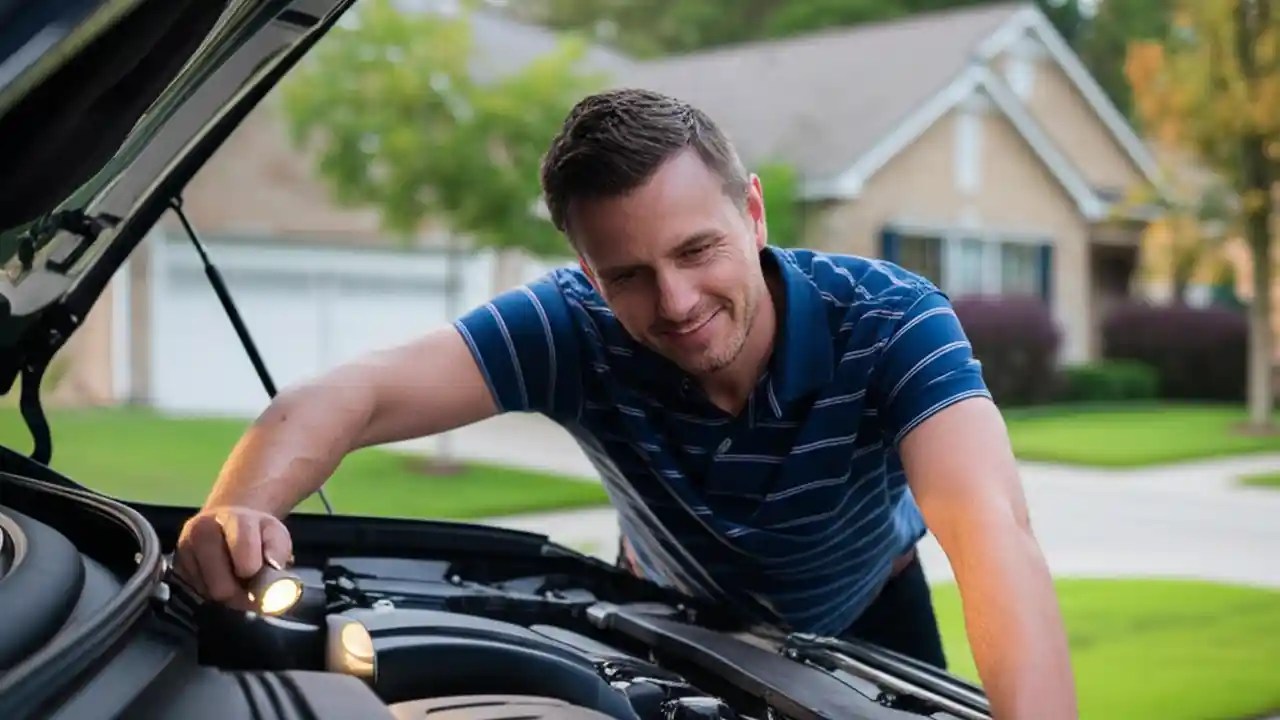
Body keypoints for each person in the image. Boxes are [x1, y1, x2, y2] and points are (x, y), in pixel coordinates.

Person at [175, 88, 1077, 718]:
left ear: (754, 213)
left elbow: (992, 529)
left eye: (698, 250)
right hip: (668, 621)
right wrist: (240, 507)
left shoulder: (890, 320)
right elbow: (355, 396)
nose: (677, 302)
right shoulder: (570, 329)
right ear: (585, 270)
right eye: (629, 275)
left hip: (869, 608)